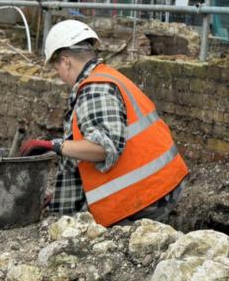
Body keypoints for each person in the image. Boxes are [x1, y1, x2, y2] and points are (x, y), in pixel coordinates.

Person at [20, 19, 189, 228]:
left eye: (57, 69)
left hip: (146, 194)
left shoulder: (95, 89)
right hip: (159, 183)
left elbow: (102, 148)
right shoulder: (106, 76)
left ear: (66, 61)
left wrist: (55, 146)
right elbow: (90, 156)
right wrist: (62, 197)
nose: (61, 77)